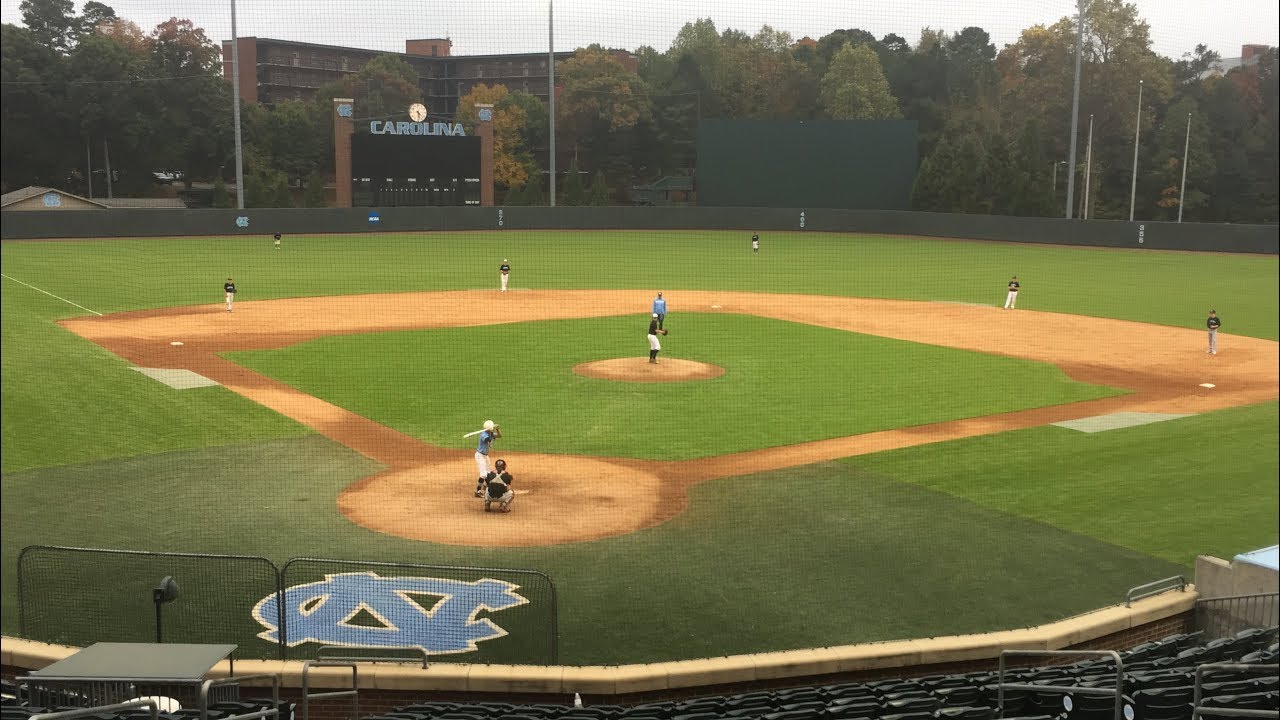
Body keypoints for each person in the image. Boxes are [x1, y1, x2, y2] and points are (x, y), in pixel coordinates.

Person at [473, 420, 501, 497]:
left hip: (485, 456)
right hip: (480, 456)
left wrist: (497, 429)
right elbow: (488, 439)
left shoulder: (489, 433)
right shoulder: (484, 434)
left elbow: (499, 436)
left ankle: (486, 486)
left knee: (488, 473)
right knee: (483, 474)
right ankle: (477, 491)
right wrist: (491, 431)